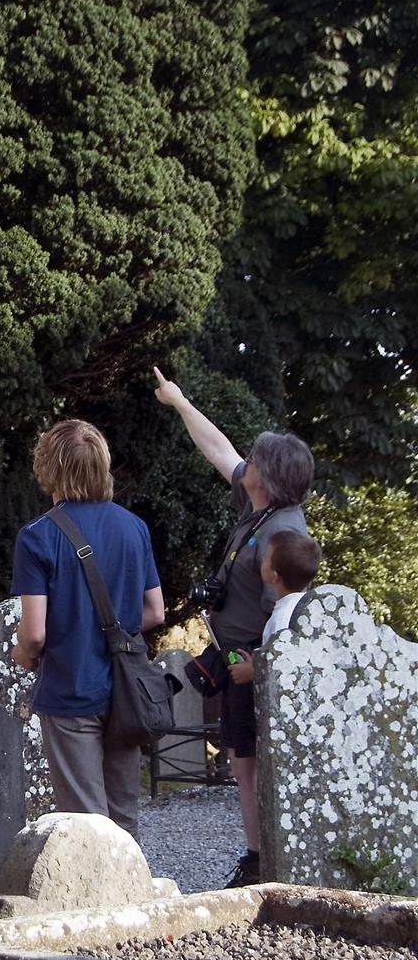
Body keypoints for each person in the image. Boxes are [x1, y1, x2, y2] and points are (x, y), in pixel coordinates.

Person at [152, 366, 315, 886]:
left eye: (255, 459)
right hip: (236, 654)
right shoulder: (260, 507)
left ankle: (260, 862)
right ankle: (258, 855)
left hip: (250, 662)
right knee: (243, 760)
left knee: (250, 765)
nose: (244, 461)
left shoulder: (282, 533)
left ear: (264, 477)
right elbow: (218, 448)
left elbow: (295, 620)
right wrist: (179, 402)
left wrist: (258, 669)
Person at [10, 419, 165, 840]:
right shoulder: (134, 527)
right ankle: (133, 901)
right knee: (124, 819)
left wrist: (22, 656)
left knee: (87, 827)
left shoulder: (37, 537)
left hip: (70, 689)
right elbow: (155, 612)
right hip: (127, 691)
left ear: (50, 469)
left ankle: (99, 905)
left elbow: (35, 634)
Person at [225, 530, 323, 683]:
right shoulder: (307, 609)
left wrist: (252, 672)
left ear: (274, 576)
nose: (261, 559)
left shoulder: (282, 619)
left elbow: (284, 669)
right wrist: (257, 663)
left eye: (265, 558)